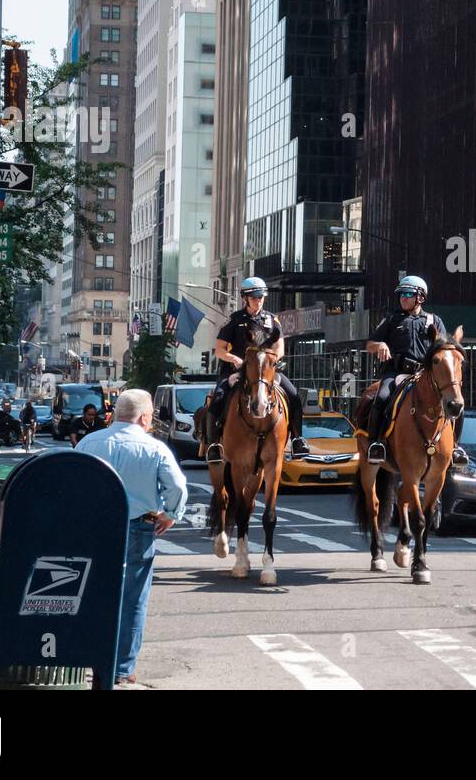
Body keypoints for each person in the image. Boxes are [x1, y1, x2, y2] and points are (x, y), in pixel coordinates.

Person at [76, 389, 187, 688]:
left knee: (91, 592)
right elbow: (176, 486)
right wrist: (170, 514)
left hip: (94, 528)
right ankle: (122, 667)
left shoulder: (89, 442)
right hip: (138, 526)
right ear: (143, 418)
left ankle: (90, 657)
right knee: (133, 597)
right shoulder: (154, 448)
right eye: (150, 417)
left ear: (115, 414)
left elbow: (73, 482)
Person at [362, 275, 467, 467]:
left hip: (425, 374)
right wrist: (380, 345)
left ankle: (455, 448)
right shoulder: (392, 319)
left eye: (408, 293)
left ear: (421, 297)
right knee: (382, 397)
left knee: (457, 403)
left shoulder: (434, 320)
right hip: (396, 372)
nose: (403, 297)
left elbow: (445, 347)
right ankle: (375, 444)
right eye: (401, 294)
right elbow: (369, 344)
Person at [203, 276, 309, 463]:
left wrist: (271, 360)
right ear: (245, 298)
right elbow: (219, 349)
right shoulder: (235, 320)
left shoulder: (271, 319)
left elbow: (280, 347)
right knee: (219, 397)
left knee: (293, 395)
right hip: (237, 370)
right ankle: (213, 445)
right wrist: (234, 359)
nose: (258, 300)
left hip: (266, 370)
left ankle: (298, 439)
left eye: (261, 297)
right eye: (254, 297)